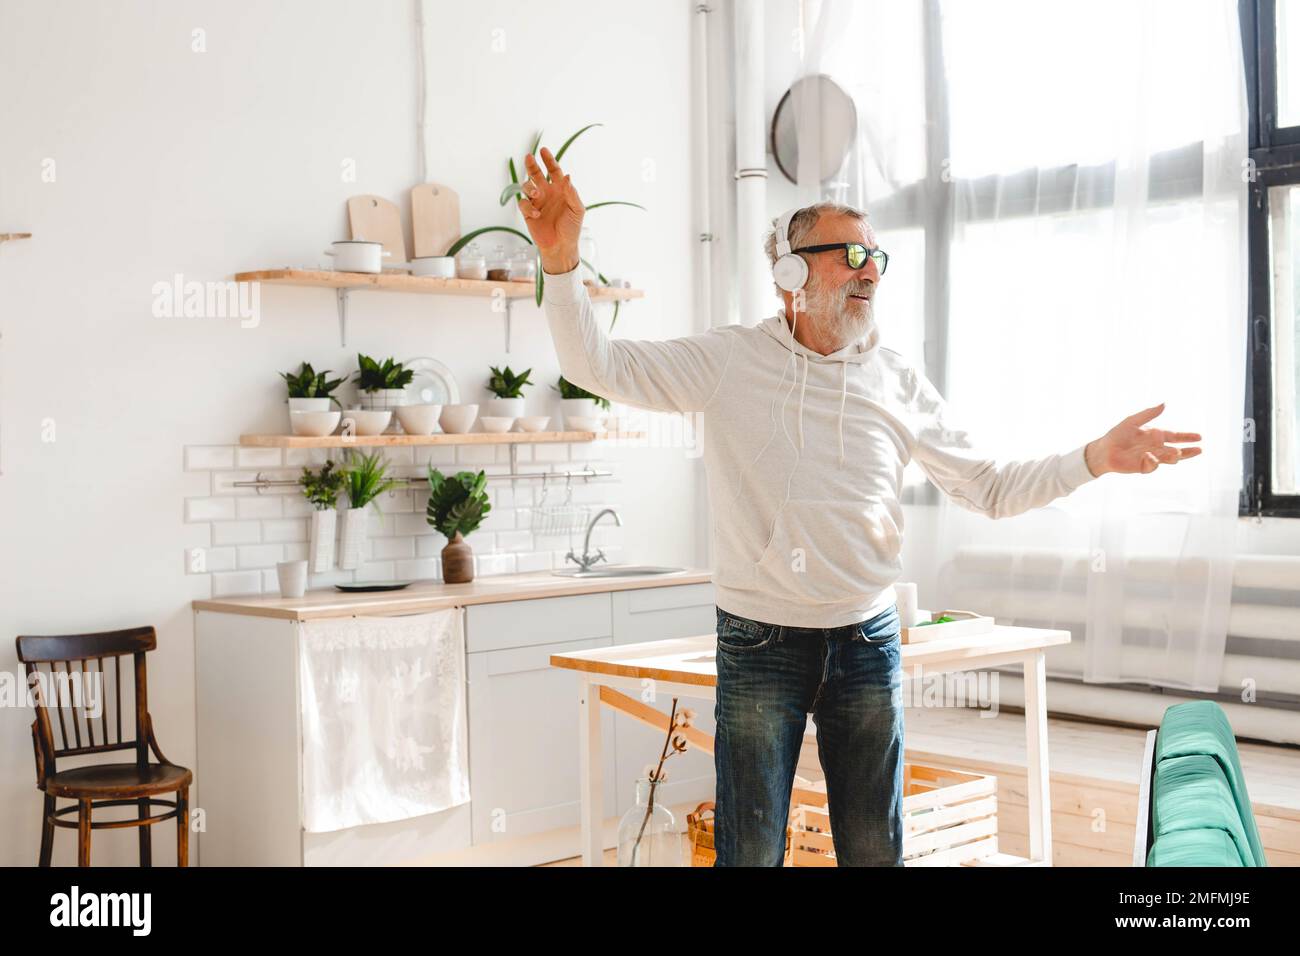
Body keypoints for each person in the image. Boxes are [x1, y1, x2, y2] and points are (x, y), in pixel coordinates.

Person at [518, 146, 1202, 866]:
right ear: (789, 273)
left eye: (877, 255)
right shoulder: (725, 363)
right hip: (760, 645)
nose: (870, 268)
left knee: (876, 852)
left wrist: (1094, 457)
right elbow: (595, 366)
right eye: (849, 253)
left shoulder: (896, 380)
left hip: (869, 645)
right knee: (749, 852)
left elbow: (990, 488)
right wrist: (561, 263)